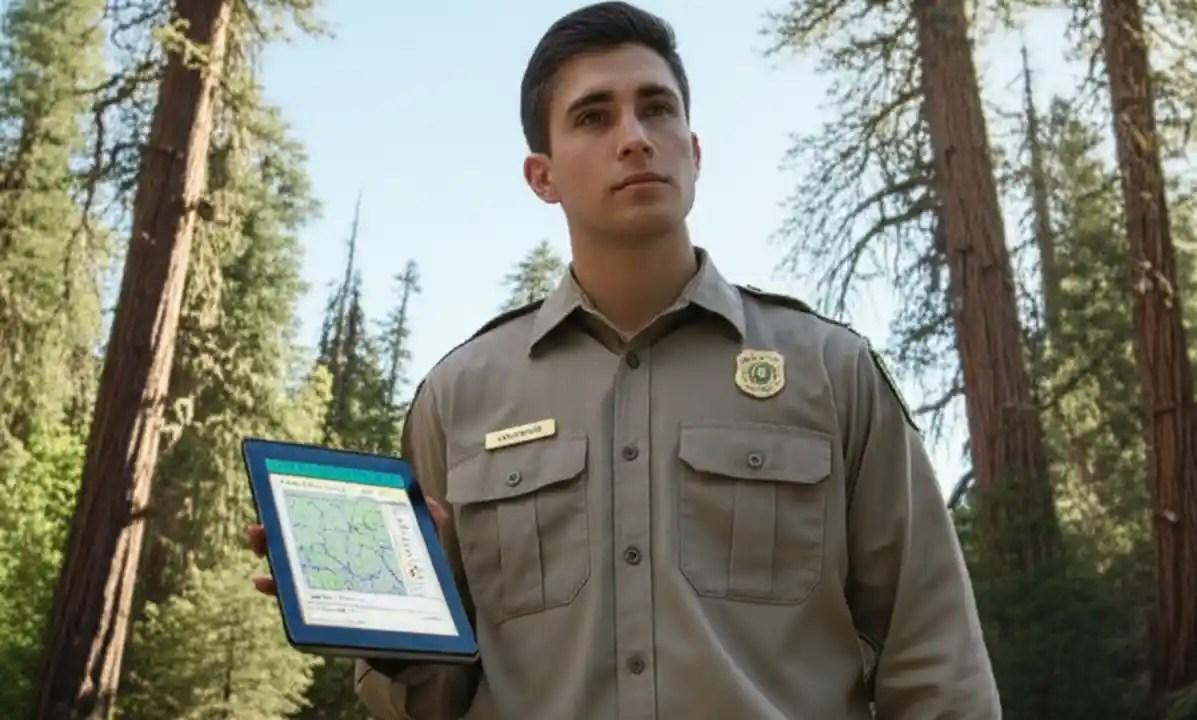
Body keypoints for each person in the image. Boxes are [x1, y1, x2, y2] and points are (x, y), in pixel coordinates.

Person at [247, 2, 1000, 717]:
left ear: (694, 153)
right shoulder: (459, 398)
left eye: (658, 108)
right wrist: (393, 634)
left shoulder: (831, 372)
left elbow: (935, 657)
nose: (634, 135)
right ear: (541, 176)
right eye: (593, 116)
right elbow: (427, 705)